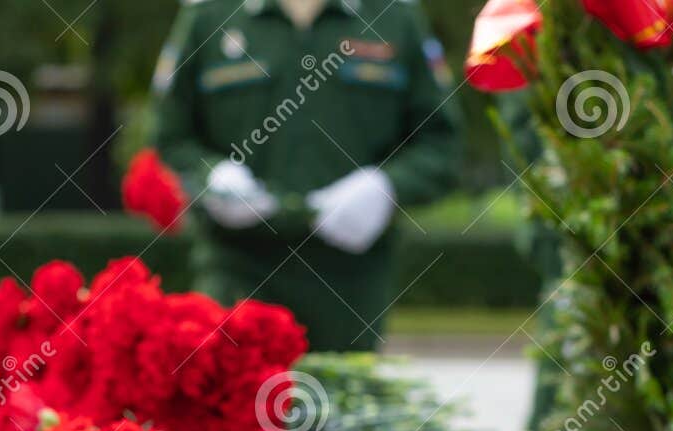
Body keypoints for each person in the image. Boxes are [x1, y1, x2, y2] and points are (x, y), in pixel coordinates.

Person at [151, 0, 460, 351]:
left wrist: (386, 187)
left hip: (351, 286)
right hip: (237, 272)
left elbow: (441, 145)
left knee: (345, 403)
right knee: (236, 398)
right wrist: (211, 175)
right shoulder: (210, 16)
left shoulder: (394, 17)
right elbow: (170, 139)